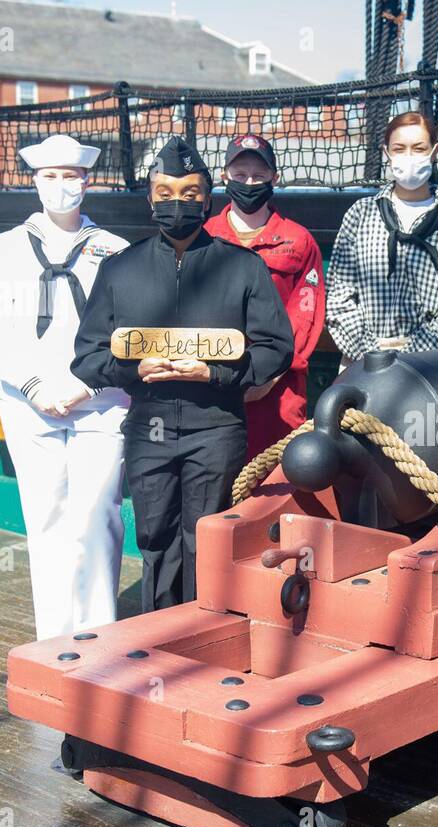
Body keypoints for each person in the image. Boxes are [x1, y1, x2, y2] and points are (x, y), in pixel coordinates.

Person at [71, 137, 294, 611]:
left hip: (215, 429)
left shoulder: (242, 267)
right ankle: (158, 633)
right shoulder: (119, 270)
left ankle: (204, 635)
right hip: (147, 427)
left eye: (191, 194)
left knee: (207, 539)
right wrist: (132, 370)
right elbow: (86, 357)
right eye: (167, 192)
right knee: (154, 539)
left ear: (207, 200)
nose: (178, 203)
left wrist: (217, 375)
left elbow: (277, 348)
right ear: (150, 198)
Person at [0, 134, 129, 640]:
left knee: (96, 517)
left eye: (72, 176)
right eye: (51, 176)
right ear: (36, 182)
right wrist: (37, 384)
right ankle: (55, 638)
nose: (62, 186)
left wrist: (84, 385)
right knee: (45, 521)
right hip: (28, 401)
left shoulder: (115, 251)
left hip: (100, 402)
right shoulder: (6, 249)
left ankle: (97, 635)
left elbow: (124, 331)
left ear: (88, 182)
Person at [325, 111, 438, 368]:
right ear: (387, 153)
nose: (409, 156)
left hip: (429, 365)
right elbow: (339, 295)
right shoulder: (360, 213)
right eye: (399, 148)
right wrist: (373, 355)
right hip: (361, 361)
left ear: (434, 151)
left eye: (419, 149)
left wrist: (411, 356)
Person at [205, 132, 325, 459]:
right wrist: (211, 373)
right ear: (224, 176)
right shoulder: (203, 238)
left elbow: (305, 316)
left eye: (259, 175)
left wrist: (267, 375)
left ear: (275, 178)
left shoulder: (298, 241)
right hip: (211, 387)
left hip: (278, 392)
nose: (249, 182)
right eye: (240, 174)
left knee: (274, 485)